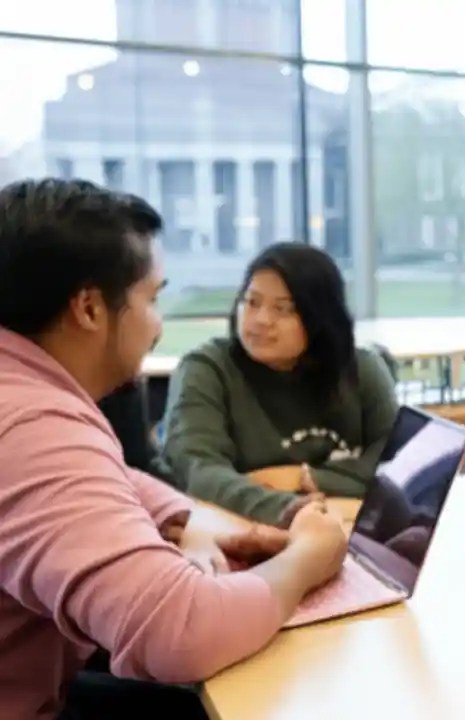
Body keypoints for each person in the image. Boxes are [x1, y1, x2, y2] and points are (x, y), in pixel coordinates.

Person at [0, 178, 346, 720]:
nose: (158, 324)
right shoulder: (32, 424)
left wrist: (187, 522)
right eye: (153, 298)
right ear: (89, 308)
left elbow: (106, 474)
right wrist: (308, 559)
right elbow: (179, 632)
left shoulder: (19, 390)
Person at [160, 243, 399, 526]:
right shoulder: (207, 369)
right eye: (252, 302)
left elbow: (400, 466)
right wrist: (290, 508)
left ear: (321, 317)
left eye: (283, 309)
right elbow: (199, 472)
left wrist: (307, 478)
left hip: (348, 527)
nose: (261, 320)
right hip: (239, 531)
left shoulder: (362, 368)